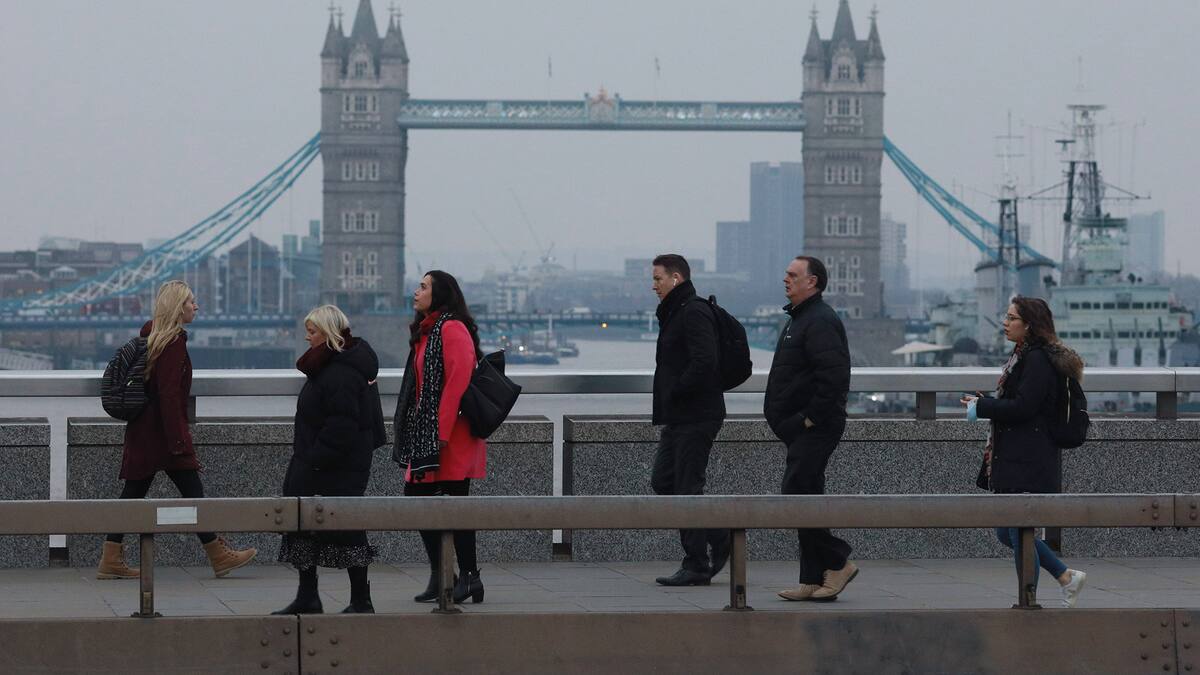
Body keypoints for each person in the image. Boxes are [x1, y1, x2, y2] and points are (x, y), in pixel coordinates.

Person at [96, 280, 257, 580]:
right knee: (191, 494)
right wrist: (180, 440)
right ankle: (218, 555)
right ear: (177, 308)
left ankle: (111, 557)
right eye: (191, 302)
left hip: (144, 430)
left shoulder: (154, 338)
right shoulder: (172, 343)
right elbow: (169, 395)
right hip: (163, 435)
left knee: (134, 493)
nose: (196, 306)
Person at [961, 296, 1088, 608]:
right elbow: (1021, 401)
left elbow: (1024, 407)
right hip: (1018, 456)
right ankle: (1065, 577)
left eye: (1011, 318)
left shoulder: (1037, 360)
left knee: (1018, 531)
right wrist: (985, 401)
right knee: (1008, 532)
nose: (1005, 323)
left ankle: (1029, 599)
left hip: (1028, 459)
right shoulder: (1023, 356)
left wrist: (984, 406)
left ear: (1029, 325)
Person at [274, 305, 386, 615]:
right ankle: (310, 595)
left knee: (346, 528)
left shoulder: (340, 373)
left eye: (312, 332)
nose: (306, 337)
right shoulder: (329, 366)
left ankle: (358, 600)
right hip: (324, 463)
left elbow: (342, 425)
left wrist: (314, 459)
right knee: (304, 527)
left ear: (328, 334)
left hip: (334, 468)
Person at [765, 256, 857, 602]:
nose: (785, 279)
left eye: (793, 275)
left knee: (796, 494)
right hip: (801, 429)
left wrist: (807, 420)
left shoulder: (820, 320)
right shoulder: (801, 318)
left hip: (815, 428)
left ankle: (839, 562)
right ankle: (812, 579)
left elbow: (834, 378)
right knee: (808, 497)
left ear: (812, 281)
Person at [393, 270, 488, 604]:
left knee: (456, 506)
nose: (416, 292)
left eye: (423, 287)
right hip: (430, 435)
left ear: (440, 294)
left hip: (451, 437)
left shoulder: (451, 328)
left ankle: (469, 577)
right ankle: (443, 573)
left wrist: (441, 433)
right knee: (417, 498)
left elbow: (458, 383)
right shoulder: (428, 331)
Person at [647, 254, 730, 586]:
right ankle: (721, 534)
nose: (653, 286)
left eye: (658, 279)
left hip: (697, 415)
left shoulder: (693, 311)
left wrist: (677, 390)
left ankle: (696, 563)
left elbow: (705, 360)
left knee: (687, 488)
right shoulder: (674, 312)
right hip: (680, 415)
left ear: (676, 278)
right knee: (663, 481)